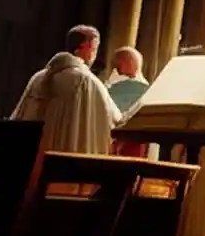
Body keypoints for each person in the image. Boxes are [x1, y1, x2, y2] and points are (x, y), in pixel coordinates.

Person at [11, 25, 122, 154]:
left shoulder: (37, 78)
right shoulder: (85, 81)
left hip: (28, 157)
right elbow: (114, 118)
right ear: (86, 46)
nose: (95, 54)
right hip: (63, 159)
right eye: (95, 48)